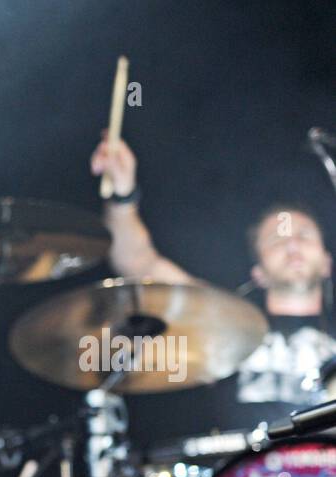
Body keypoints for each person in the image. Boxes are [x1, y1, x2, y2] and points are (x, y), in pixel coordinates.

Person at [90, 134, 335, 428]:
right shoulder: (225, 319)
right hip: (245, 467)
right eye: (276, 240)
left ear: (327, 263)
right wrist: (122, 194)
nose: (292, 245)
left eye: (304, 235)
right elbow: (137, 262)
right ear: (258, 272)